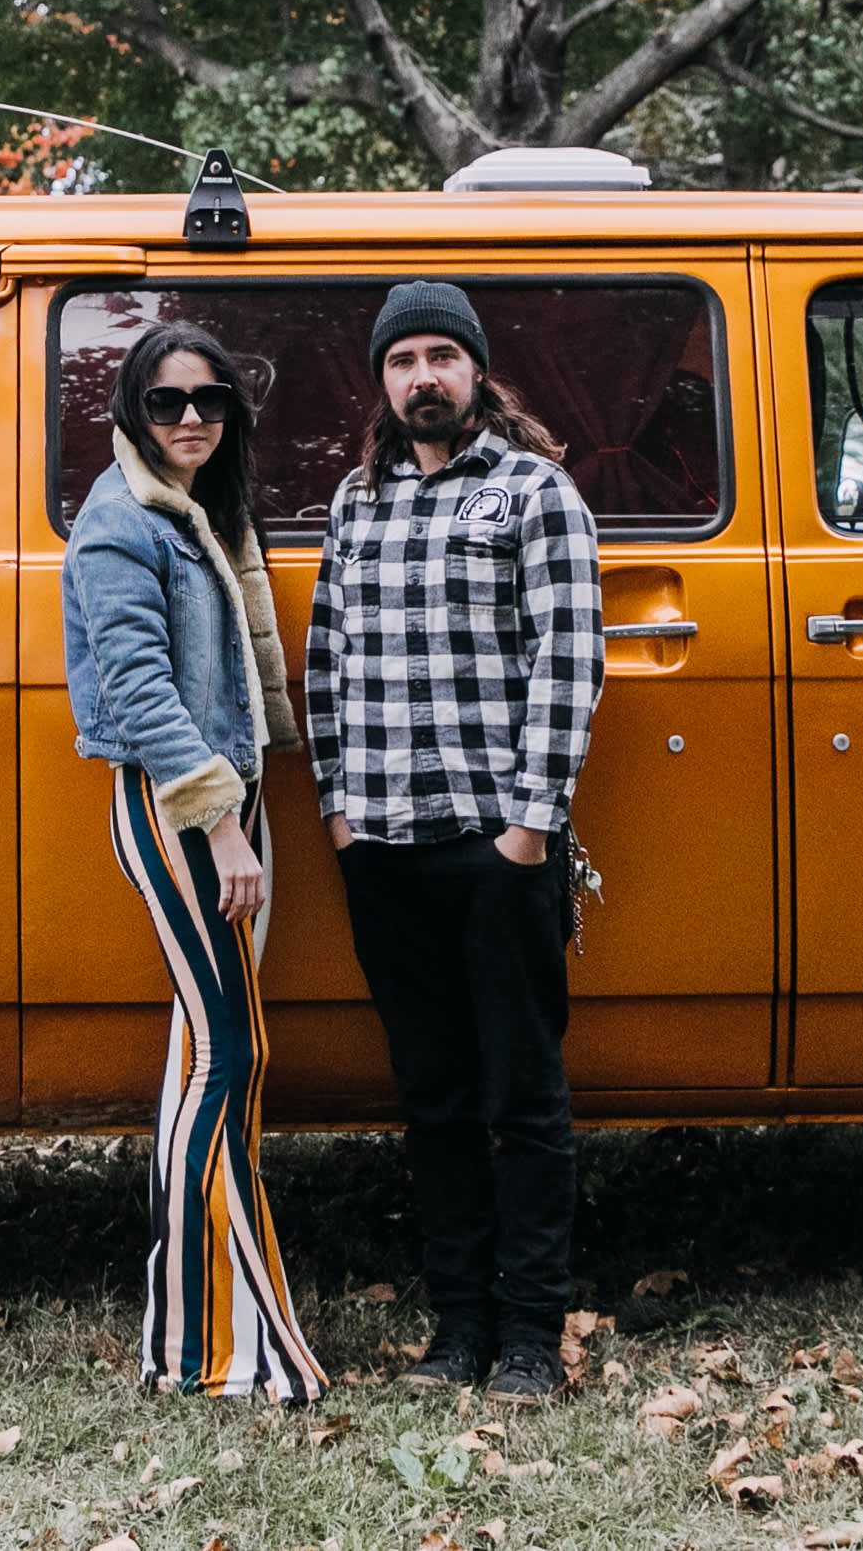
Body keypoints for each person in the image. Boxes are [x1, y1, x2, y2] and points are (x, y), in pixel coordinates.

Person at [304, 280, 602, 1400]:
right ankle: (457, 1326)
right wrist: (338, 811)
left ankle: (530, 1334)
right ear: (381, 380)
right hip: (381, 845)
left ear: (476, 371)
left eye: (441, 355)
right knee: (431, 1096)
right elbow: (325, 665)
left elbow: (569, 665)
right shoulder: (356, 500)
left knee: (522, 1098)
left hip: (497, 847)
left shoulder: (536, 495)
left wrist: (530, 828)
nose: (421, 376)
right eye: (401, 359)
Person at [61, 322, 328, 1403]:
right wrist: (222, 827)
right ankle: (212, 1343)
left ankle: (191, 1342)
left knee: (201, 1061)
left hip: (226, 803)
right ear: (131, 409)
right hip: (183, 814)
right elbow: (137, 687)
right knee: (230, 1054)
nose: (189, 422)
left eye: (209, 403)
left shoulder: (203, 508)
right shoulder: (122, 517)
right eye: (166, 403)